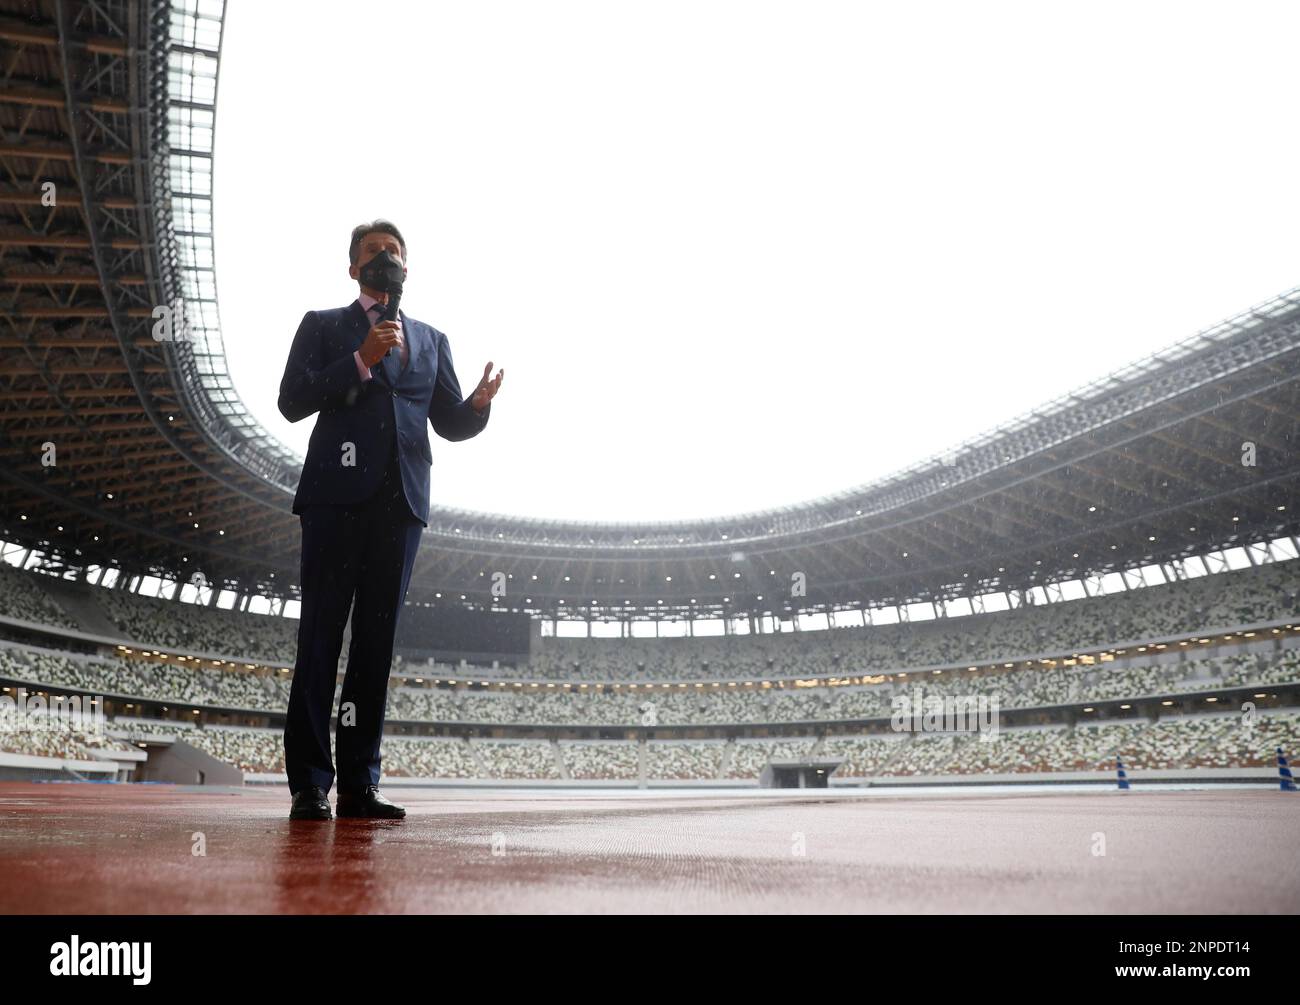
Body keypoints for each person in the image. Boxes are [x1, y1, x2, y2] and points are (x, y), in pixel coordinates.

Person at [277, 219, 503, 820]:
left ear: (408, 267)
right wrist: (357, 360)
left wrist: (477, 408)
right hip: (334, 499)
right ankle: (308, 784)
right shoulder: (323, 325)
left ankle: (358, 782)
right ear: (353, 267)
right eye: (373, 253)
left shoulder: (431, 340)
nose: (385, 261)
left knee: (375, 648)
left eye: (394, 253)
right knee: (321, 638)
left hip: (400, 505)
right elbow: (292, 400)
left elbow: (448, 422)